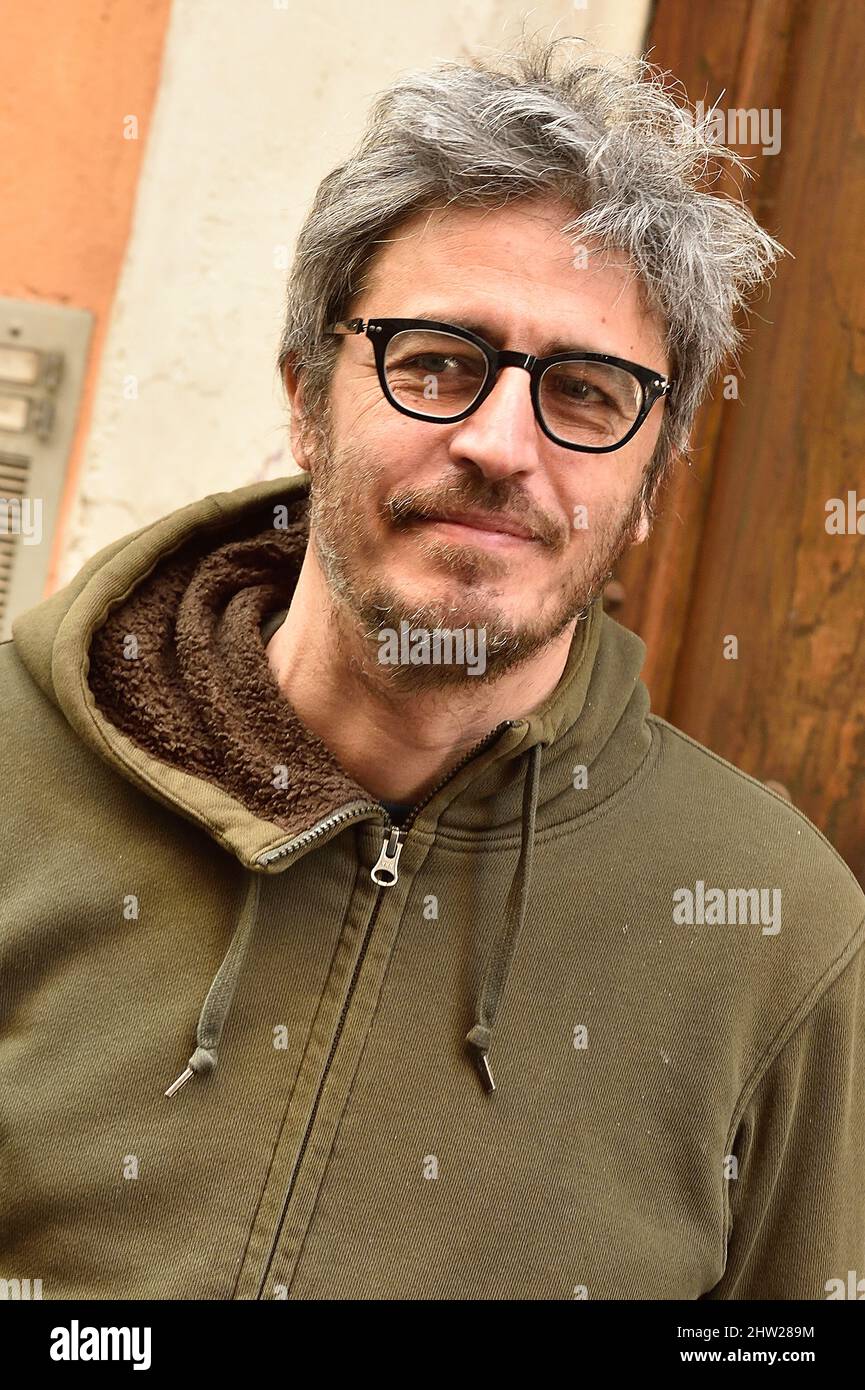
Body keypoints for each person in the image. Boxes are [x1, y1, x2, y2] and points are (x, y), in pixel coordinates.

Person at [2, 34, 863, 1302]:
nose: (500, 443)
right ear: (306, 395)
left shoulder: (778, 930)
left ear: (646, 489)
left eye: (584, 391)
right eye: (438, 362)